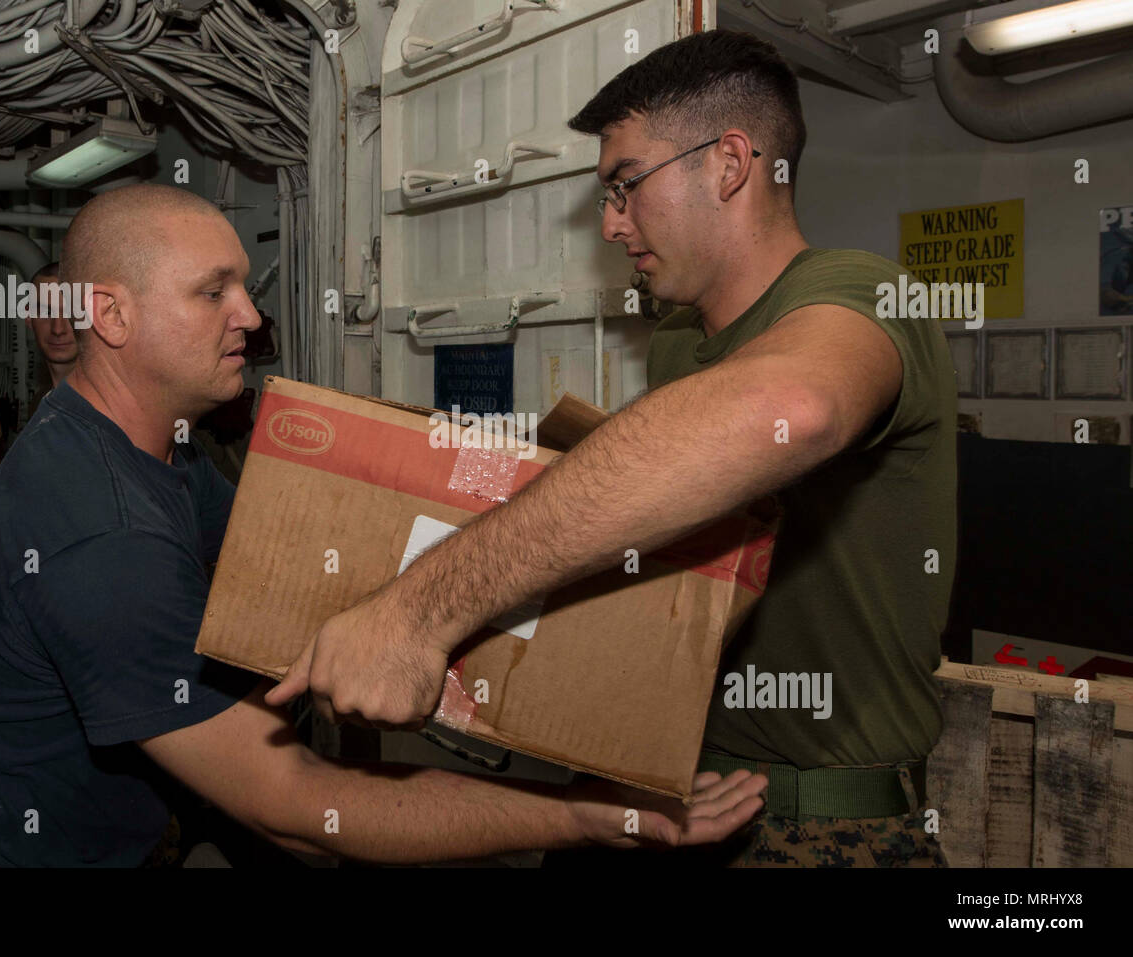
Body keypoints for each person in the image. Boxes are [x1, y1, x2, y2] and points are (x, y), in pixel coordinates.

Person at [0, 183, 765, 867]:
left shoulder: (152, 442)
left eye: (243, 287)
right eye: (214, 292)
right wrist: (577, 811)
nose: (250, 314)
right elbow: (297, 803)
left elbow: (276, 565)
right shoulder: (102, 538)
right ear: (112, 316)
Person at [266, 30, 959, 868]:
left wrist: (419, 611)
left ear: (729, 163)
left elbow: (796, 406)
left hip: (822, 827)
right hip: (662, 799)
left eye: (625, 186)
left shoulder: (862, 295)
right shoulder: (676, 344)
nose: (609, 223)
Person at [25, 261, 79, 417]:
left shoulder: (113, 408)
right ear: (29, 317)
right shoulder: (41, 405)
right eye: (46, 312)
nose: (58, 329)